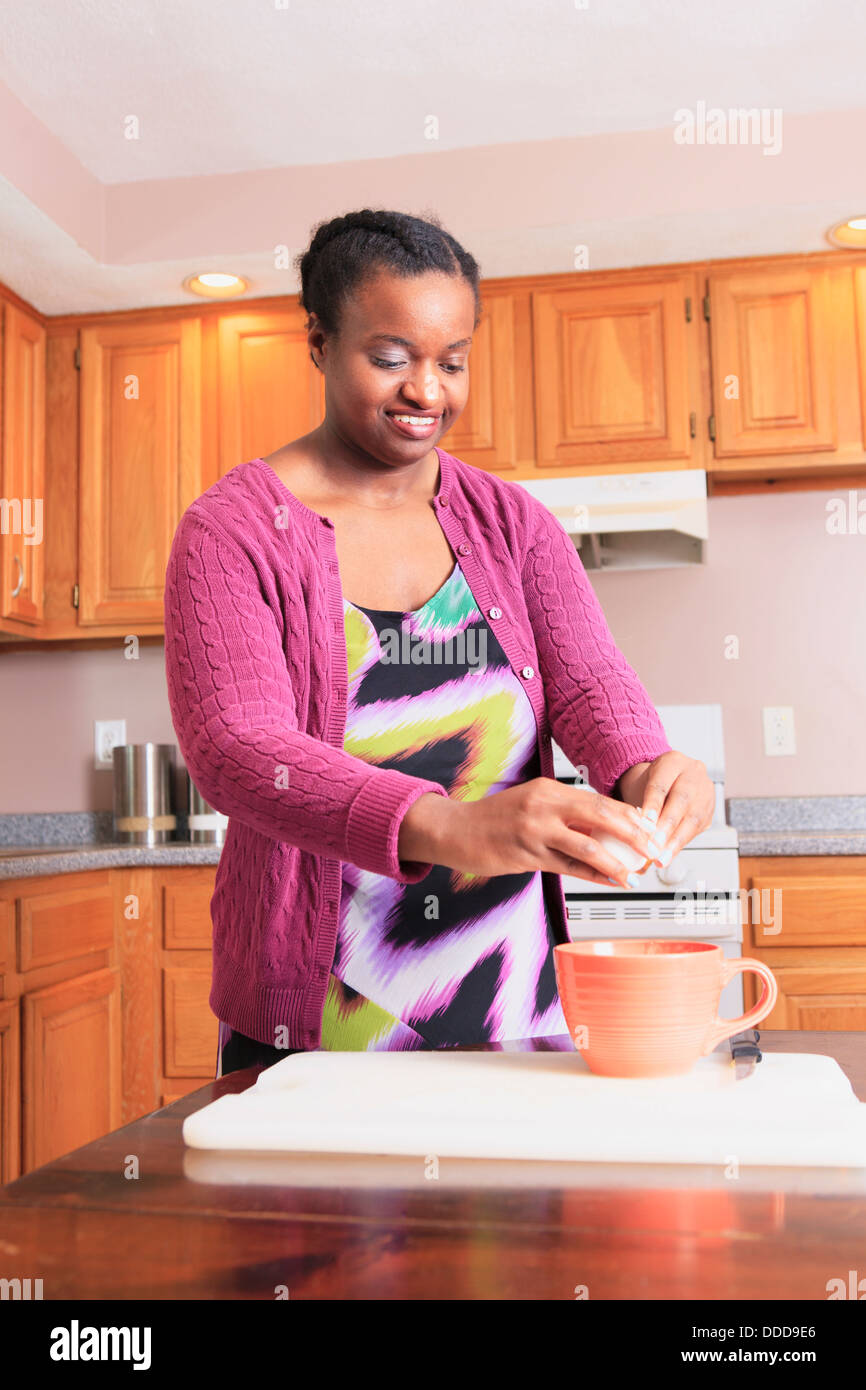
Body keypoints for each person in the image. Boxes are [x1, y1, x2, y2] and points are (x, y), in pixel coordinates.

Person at [163, 208, 715, 1079]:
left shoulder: (513, 523)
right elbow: (239, 750)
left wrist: (647, 765)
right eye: (390, 358)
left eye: (451, 361)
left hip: (514, 1005)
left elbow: (589, 685)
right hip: (319, 1022)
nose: (427, 389)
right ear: (318, 342)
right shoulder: (233, 530)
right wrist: (455, 828)